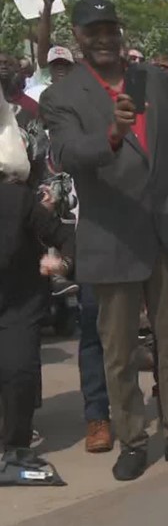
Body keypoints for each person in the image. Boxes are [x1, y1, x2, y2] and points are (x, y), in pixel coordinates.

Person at [40, 0, 168, 481]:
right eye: (94, 32)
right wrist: (112, 135)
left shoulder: (159, 82)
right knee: (119, 351)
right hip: (112, 239)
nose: (105, 38)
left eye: (111, 29)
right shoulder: (62, 98)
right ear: (79, 38)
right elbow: (67, 152)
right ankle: (132, 439)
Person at [0, 123, 74, 456]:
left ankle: (15, 445)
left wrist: (62, 263)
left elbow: (67, 238)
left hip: (21, 299)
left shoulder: (19, 201)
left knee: (18, 368)